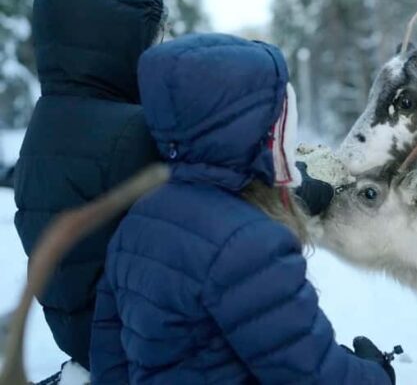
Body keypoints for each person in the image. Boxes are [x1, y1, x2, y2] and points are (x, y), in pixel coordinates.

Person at [90, 33, 395, 384]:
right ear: (253, 131)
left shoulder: (140, 219)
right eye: (281, 122)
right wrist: (377, 374)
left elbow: (109, 356)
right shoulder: (249, 243)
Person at [13, 0, 165, 379]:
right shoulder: (133, 132)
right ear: (118, 40)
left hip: (84, 338)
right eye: (151, 37)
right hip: (137, 346)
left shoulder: (47, 123)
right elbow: (222, 198)